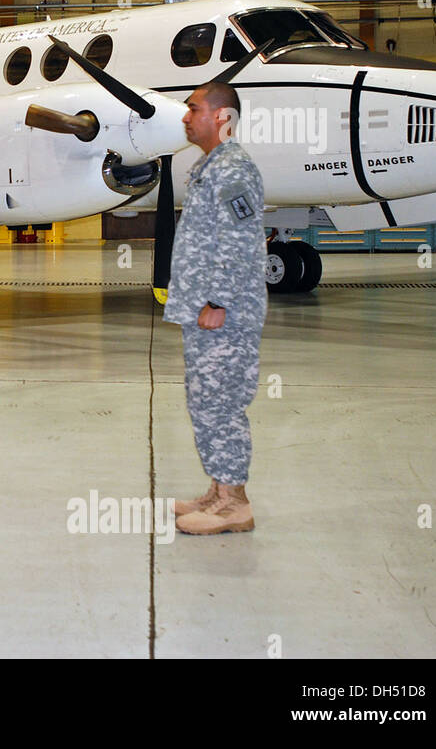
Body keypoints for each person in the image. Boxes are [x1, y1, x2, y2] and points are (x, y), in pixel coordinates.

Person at [164, 81, 267, 535]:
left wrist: (218, 300)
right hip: (205, 309)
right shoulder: (211, 165)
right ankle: (218, 489)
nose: (186, 117)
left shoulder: (233, 169)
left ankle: (234, 505)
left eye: (193, 109)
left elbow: (241, 240)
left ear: (222, 116)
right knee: (205, 399)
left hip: (226, 311)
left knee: (221, 401)